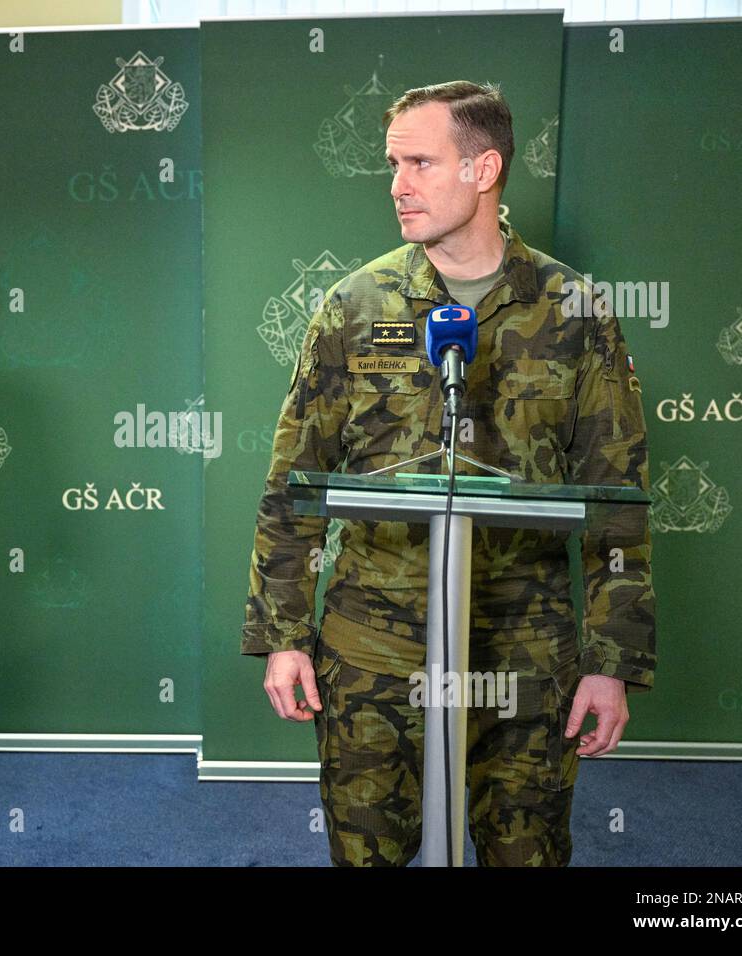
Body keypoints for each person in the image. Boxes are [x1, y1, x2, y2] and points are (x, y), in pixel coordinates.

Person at [242, 81, 655, 867]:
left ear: (484, 168)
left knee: (525, 856)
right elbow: (293, 481)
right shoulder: (353, 305)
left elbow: (618, 500)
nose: (398, 185)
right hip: (373, 652)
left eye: (421, 162)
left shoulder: (575, 311)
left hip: (523, 656)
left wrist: (612, 662)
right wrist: (283, 637)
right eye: (393, 164)